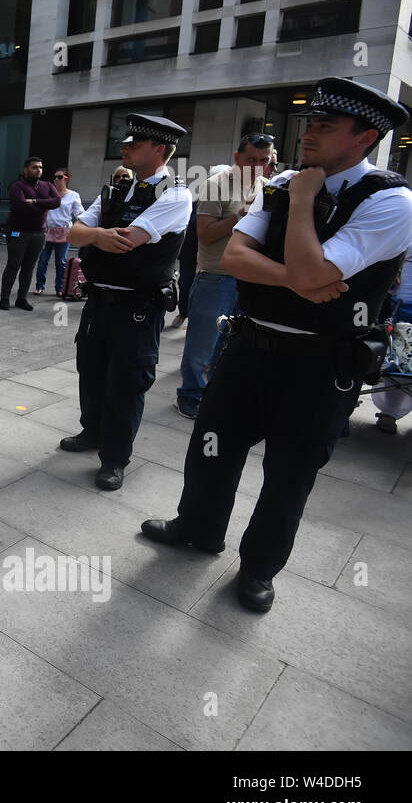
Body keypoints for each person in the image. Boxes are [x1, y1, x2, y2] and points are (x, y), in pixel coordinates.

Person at [143, 78, 412, 612]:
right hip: (249, 345)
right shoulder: (282, 179)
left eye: (325, 126)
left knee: (289, 473)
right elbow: (237, 258)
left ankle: (259, 568)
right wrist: (301, 279)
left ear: (365, 137)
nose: (308, 133)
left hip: (321, 363)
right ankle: (198, 527)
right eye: (310, 122)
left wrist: (306, 205)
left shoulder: (392, 200)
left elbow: (315, 268)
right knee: (212, 449)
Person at [60, 114, 193, 491]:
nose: (124, 149)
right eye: (126, 143)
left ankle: (115, 459)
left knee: (126, 383)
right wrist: (98, 234)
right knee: (92, 370)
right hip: (99, 300)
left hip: (137, 306)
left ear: (160, 150)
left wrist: (96, 236)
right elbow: (73, 232)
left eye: (134, 145)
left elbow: (128, 240)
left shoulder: (176, 195)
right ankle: (93, 432)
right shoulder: (115, 191)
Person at [173, 134, 273, 418]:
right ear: (237, 158)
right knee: (203, 344)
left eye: (264, 161)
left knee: (231, 346)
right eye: (251, 159)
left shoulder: (266, 186)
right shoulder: (216, 184)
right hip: (215, 277)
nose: (257, 166)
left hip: (249, 279)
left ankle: (214, 394)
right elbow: (204, 236)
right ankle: (190, 394)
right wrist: (242, 213)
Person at [1, 157, 60, 310]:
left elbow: (57, 201)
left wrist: (34, 201)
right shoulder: (17, 186)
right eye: (34, 167)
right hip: (18, 232)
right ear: (26, 169)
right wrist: (44, 206)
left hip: (38, 234)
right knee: (13, 265)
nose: (38, 170)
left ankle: (22, 298)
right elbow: (21, 206)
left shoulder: (47, 185)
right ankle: (5, 298)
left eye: (40, 167)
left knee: (29, 267)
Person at [372, 248, 412, 433]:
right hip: (399, 305)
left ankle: (390, 412)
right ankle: (389, 412)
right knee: (395, 359)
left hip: (399, 302)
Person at [35, 168, 83, 296]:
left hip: (64, 231)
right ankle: (40, 285)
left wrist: (84, 224)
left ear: (67, 179)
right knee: (43, 260)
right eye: (55, 177)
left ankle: (60, 287)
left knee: (60, 261)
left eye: (60, 177)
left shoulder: (73, 195)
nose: (56, 179)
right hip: (48, 230)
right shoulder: (49, 193)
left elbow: (80, 213)